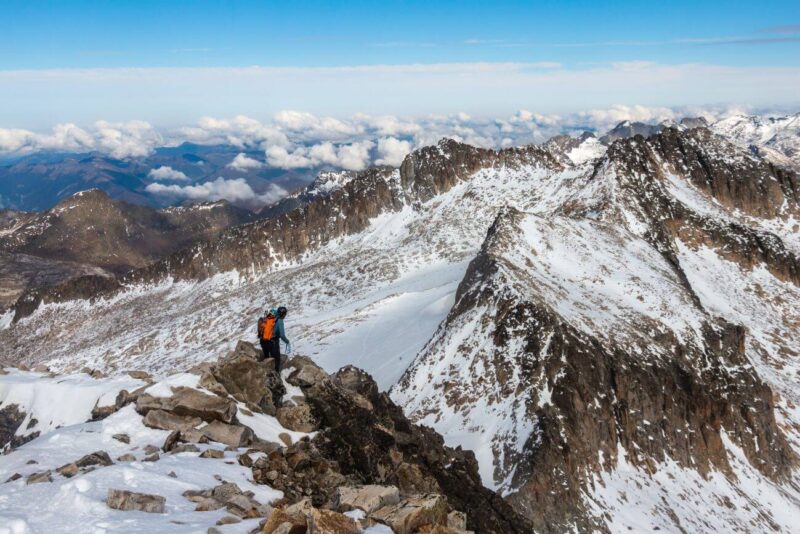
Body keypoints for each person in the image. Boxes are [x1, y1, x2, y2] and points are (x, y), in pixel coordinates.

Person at [259, 306, 290, 374]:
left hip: (263, 340)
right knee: (276, 359)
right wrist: (287, 341)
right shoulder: (280, 321)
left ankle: (264, 374)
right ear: (283, 314)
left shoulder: (269, 317)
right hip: (272, 342)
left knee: (266, 358)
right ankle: (276, 376)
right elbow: (282, 335)